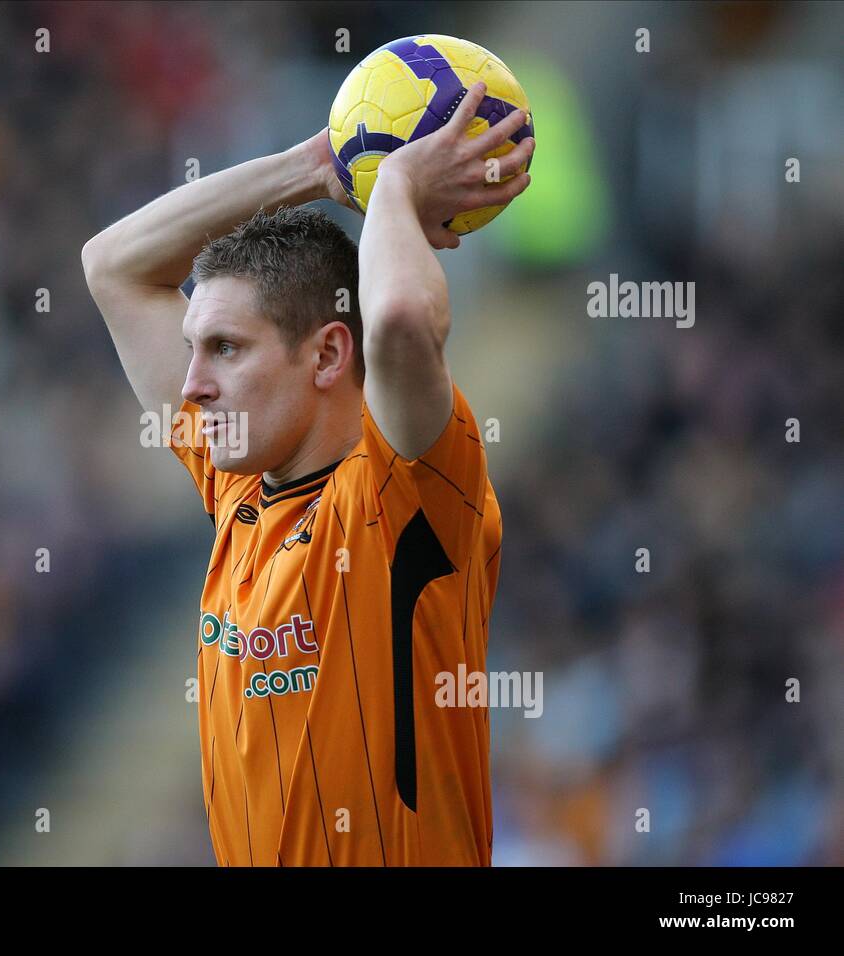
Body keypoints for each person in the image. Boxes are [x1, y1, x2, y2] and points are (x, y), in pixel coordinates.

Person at [82, 83, 533, 865]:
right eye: (192, 348)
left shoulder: (408, 488)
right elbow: (113, 266)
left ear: (327, 354)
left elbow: (396, 319)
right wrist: (320, 163)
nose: (189, 384)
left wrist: (391, 183)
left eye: (225, 347)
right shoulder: (238, 492)